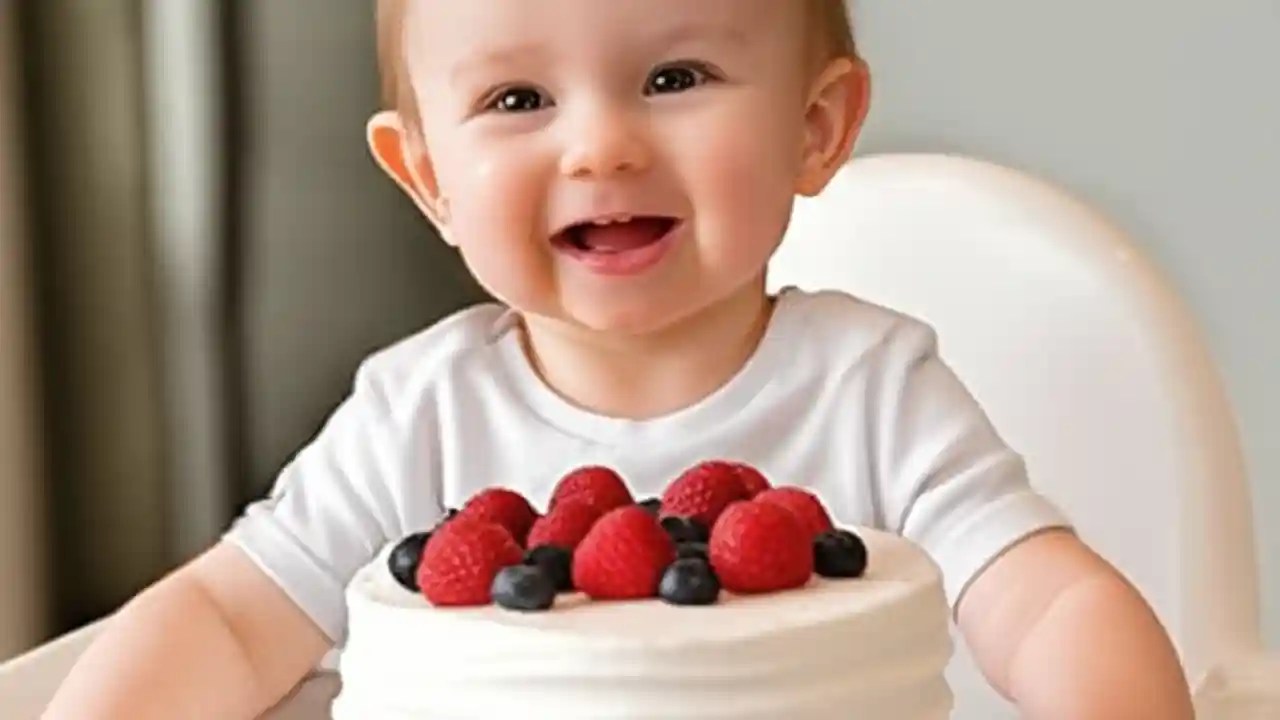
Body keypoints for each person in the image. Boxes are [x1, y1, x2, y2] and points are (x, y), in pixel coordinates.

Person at [44, 1, 1195, 717]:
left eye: (673, 78)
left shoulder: (871, 389)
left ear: (814, 126)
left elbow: (1042, 610)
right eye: (517, 97)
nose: (600, 144)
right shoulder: (417, 413)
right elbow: (233, 623)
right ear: (429, 177)